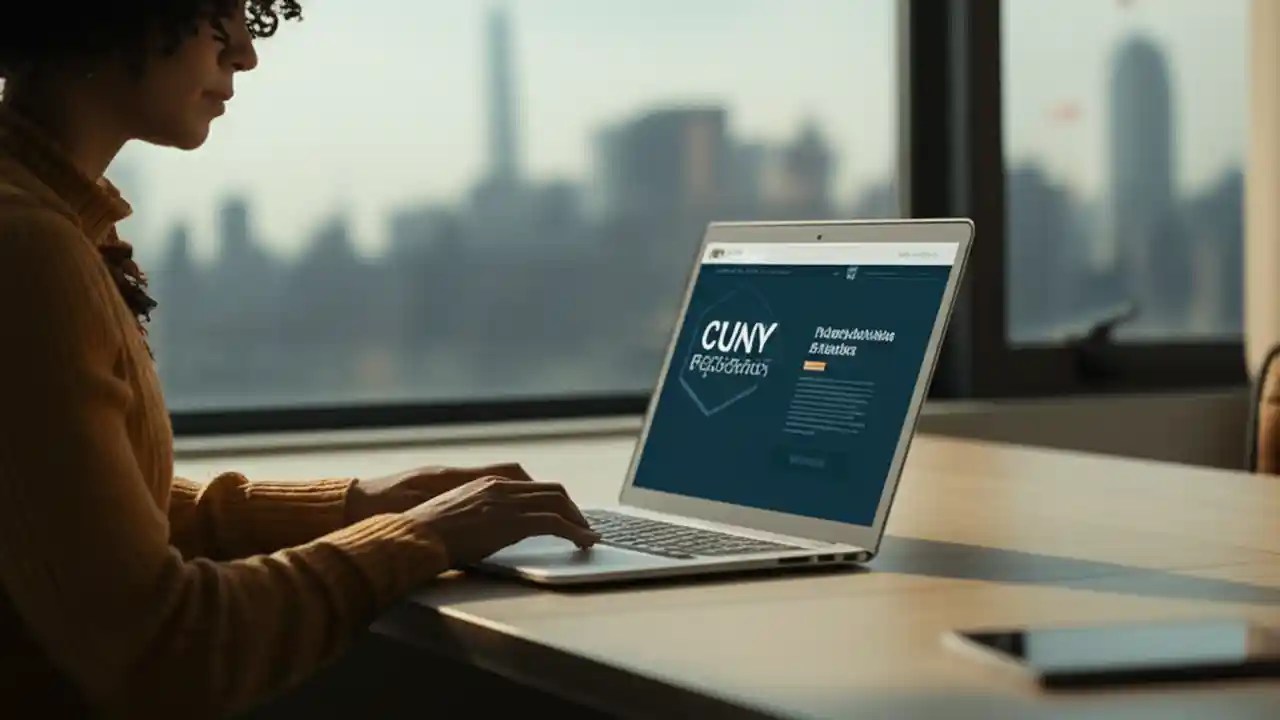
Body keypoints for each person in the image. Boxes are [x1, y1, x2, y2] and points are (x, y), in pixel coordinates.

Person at [0, 2, 600, 717]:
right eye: (218, 15)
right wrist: (424, 535)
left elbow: (86, 511)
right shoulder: (29, 252)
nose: (246, 52)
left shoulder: (46, 222)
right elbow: (163, 646)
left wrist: (353, 504)